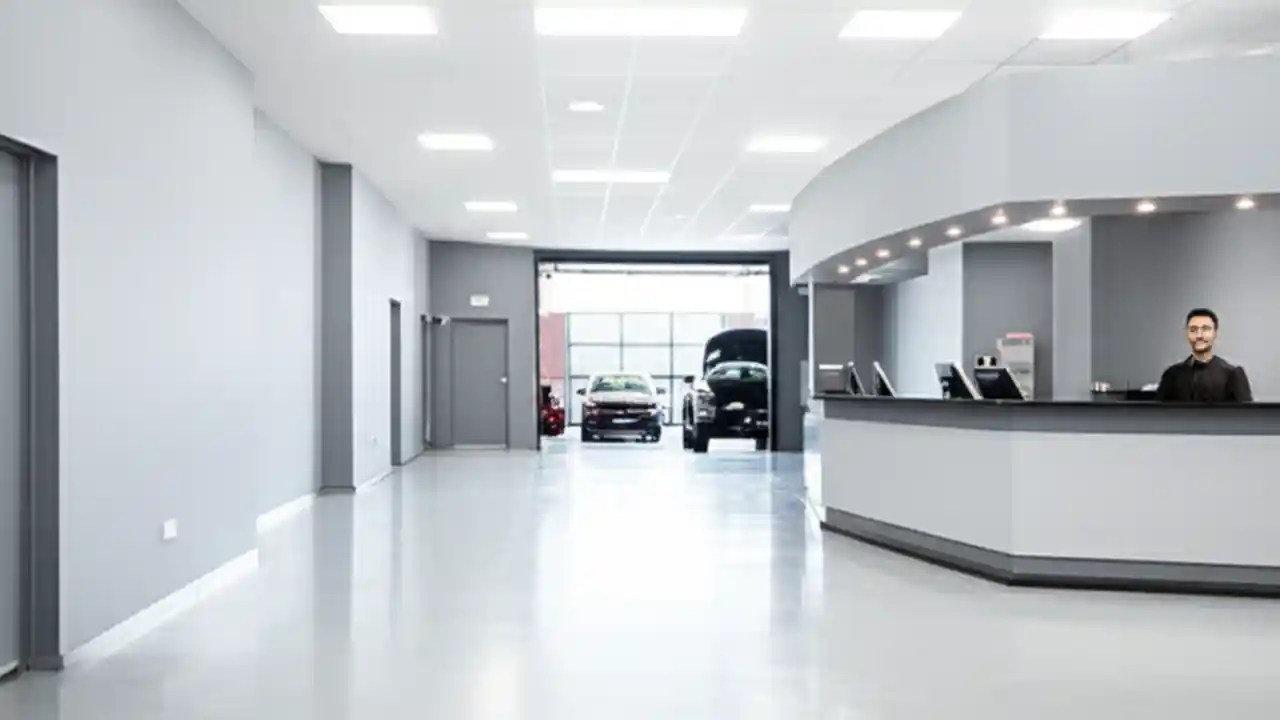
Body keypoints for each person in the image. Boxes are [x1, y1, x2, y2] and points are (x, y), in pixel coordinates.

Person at [1155, 308, 1252, 403]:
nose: (1199, 335)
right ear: (1186, 333)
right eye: (1193, 330)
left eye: (1205, 329)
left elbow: (1245, 413)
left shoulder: (1232, 374)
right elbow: (1158, 412)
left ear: (1215, 333)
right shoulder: (1172, 375)